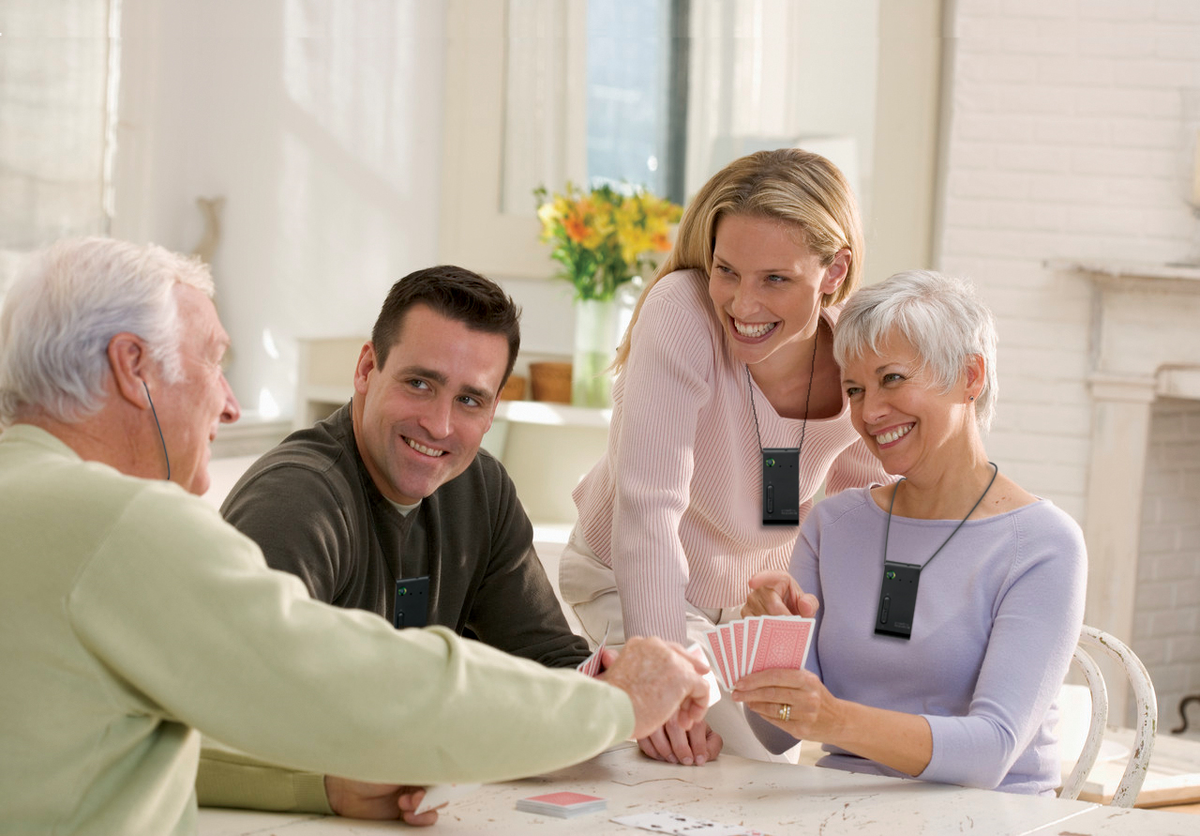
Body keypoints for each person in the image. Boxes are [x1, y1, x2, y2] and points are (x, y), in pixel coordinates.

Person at [0, 237, 711, 835]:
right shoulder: (127, 524)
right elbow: (351, 684)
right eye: (214, 360)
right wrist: (615, 704)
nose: (229, 400)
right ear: (132, 367)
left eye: (470, 399)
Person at [199, 265, 597, 816]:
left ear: (492, 411)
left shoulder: (480, 488)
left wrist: (623, 685)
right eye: (420, 384)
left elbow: (550, 661)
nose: (439, 424)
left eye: (469, 401)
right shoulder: (296, 502)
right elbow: (237, 712)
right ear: (367, 368)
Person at [560, 148, 889, 765]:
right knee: (716, 755)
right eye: (727, 270)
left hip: (749, 607)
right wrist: (658, 671)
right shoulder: (682, 312)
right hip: (632, 575)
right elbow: (649, 512)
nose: (741, 304)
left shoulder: (856, 349)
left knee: (768, 763)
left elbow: (870, 512)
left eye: (776, 279)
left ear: (834, 272)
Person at [733, 270, 1087, 794]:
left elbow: (991, 751)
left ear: (970, 376)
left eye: (892, 378)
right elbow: (775, 735)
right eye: (855, 389)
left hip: (986, 819)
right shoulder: (833, 526)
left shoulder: (1043, 543)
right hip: (843, 813)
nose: (870, 412)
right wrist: (770, 643)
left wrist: (832, 719)